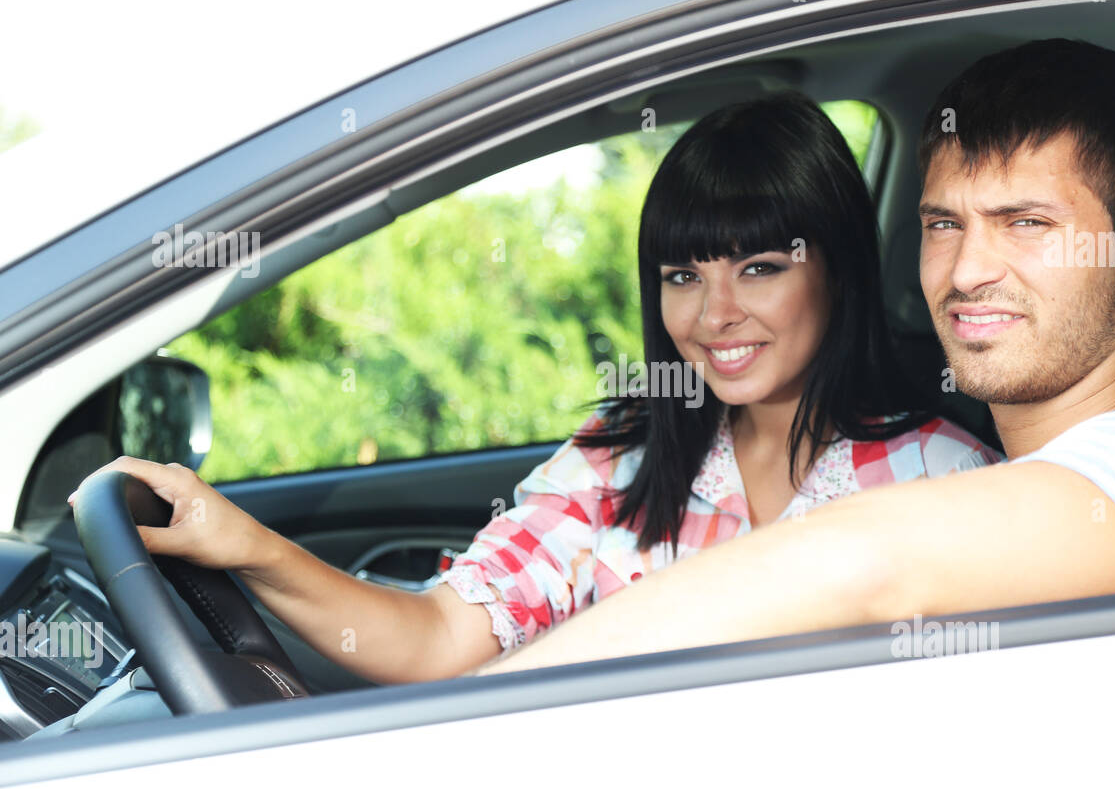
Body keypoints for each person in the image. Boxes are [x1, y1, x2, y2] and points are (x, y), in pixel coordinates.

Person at [71, 91, 998, 682]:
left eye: (759, 268)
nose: (714, 314)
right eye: (683, 276)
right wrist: (247, 546)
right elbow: (435, 641)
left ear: (835, 269)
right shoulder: (625, 455)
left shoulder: (949, 481)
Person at [475, 38, 1115, 674]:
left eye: (1026, 223)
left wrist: (490, 711)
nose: (968, 270)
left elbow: (867, 564)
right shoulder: (1018, 475)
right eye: (944, 224)